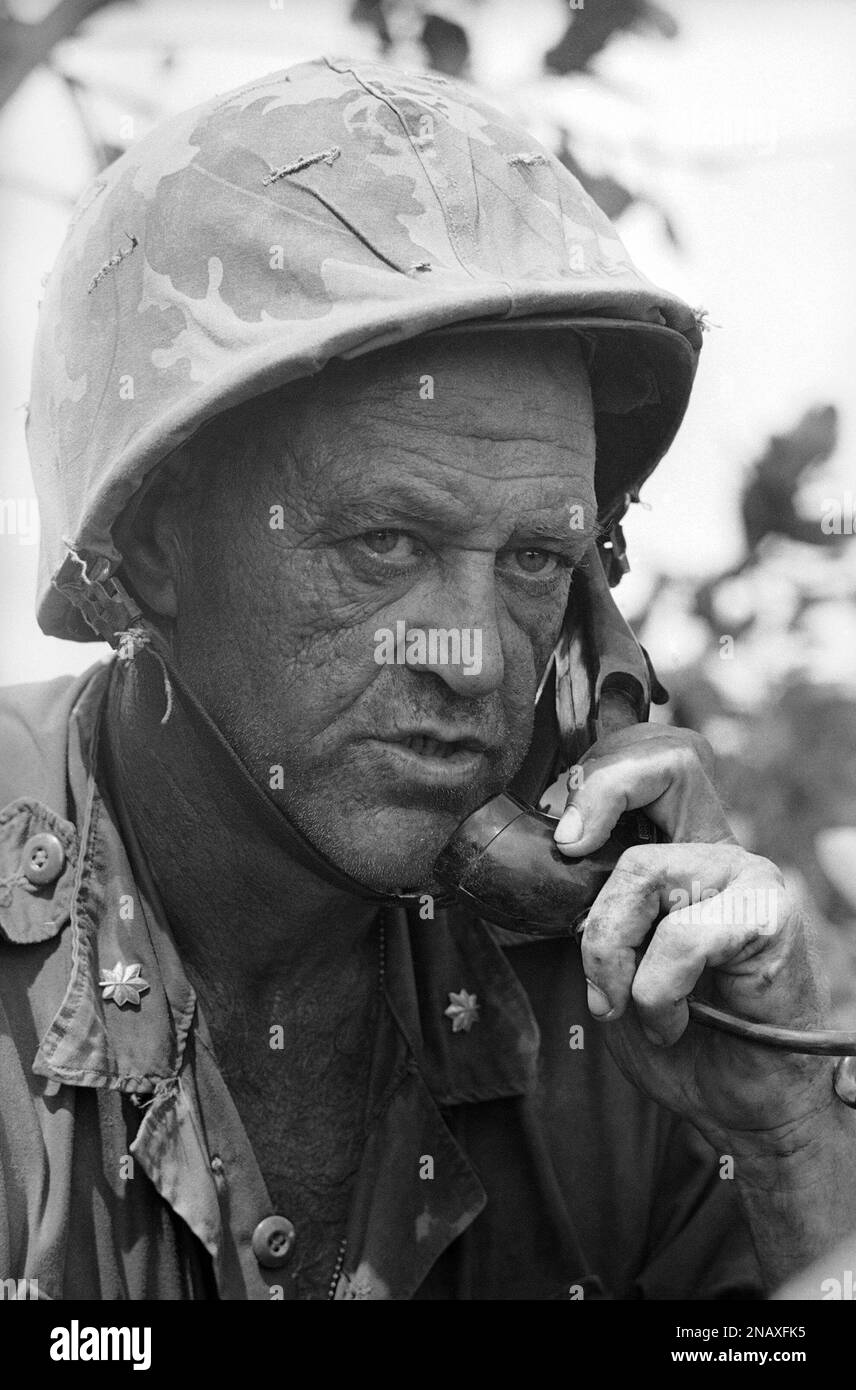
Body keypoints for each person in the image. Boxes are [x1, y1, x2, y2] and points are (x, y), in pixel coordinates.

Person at [1, 57, 853, 1302]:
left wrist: (784, 1133)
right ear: (151, 546)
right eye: (384, 545)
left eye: (532, 561)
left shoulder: (618, 985)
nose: (474, 660)